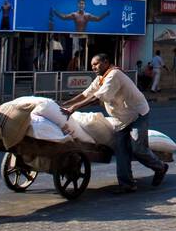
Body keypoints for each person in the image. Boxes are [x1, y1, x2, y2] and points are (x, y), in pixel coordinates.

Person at [61, 54, 167, 193]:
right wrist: (65, 104)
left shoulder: (114, 75)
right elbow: (86, 94)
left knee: (137, 148)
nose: (93, 67)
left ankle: (160, 167)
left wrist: (74, 108)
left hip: (137, 114)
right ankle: (127, 184)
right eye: (92, 65)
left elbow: (96, 97)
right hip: (120, 119)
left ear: (106, 62)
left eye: (96, 64)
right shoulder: (100, 78)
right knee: (121, 150)